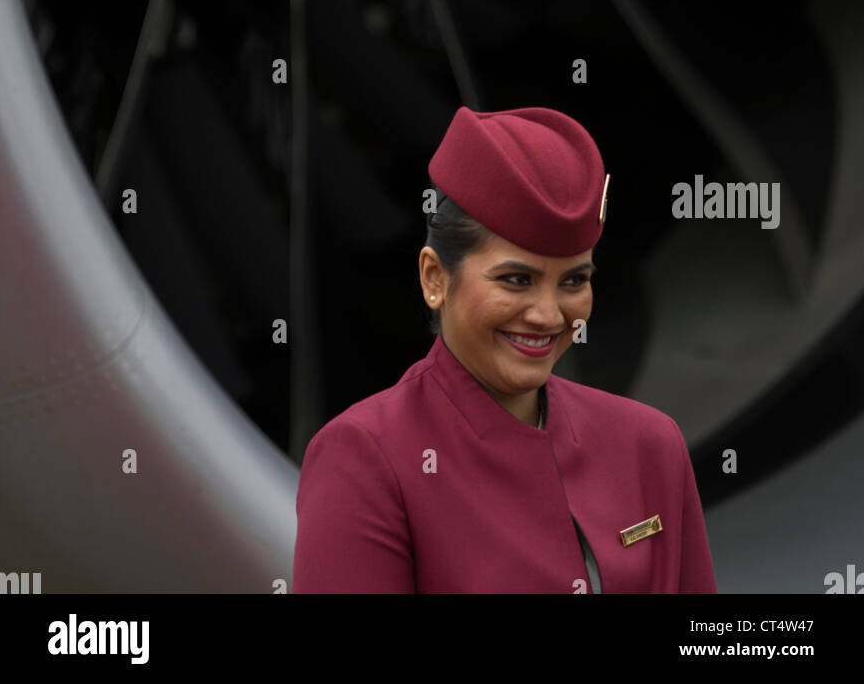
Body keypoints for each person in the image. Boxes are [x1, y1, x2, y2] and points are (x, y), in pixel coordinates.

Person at [291, 105, 717, 594]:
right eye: (516, 280)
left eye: (574, 280)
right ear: (434, 278)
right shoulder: (366, 459)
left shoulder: (649, 443)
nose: (549, 315)